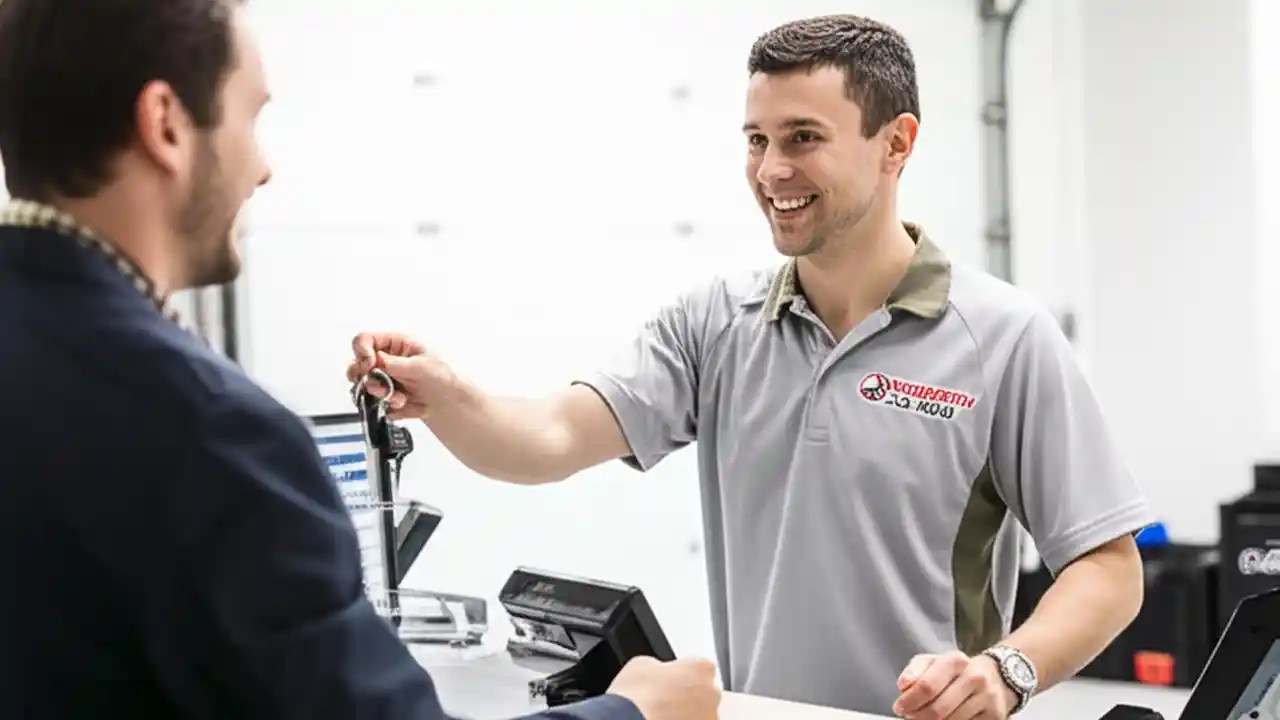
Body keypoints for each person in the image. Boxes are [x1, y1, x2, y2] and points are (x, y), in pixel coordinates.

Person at [346, 13, 1155, 720]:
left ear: (896, 144)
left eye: (804, 138)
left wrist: (1005, 673)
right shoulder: (714, 324)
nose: (771, 171)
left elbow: (1109, 569)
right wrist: (449, 398)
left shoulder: (1003, 338)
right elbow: (550, 437)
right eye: (757, 140)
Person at [0, 1, 721, 719]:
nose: (263, 169)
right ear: (165, 124)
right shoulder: (209, 435)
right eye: (250, 119)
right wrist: (634, 713)